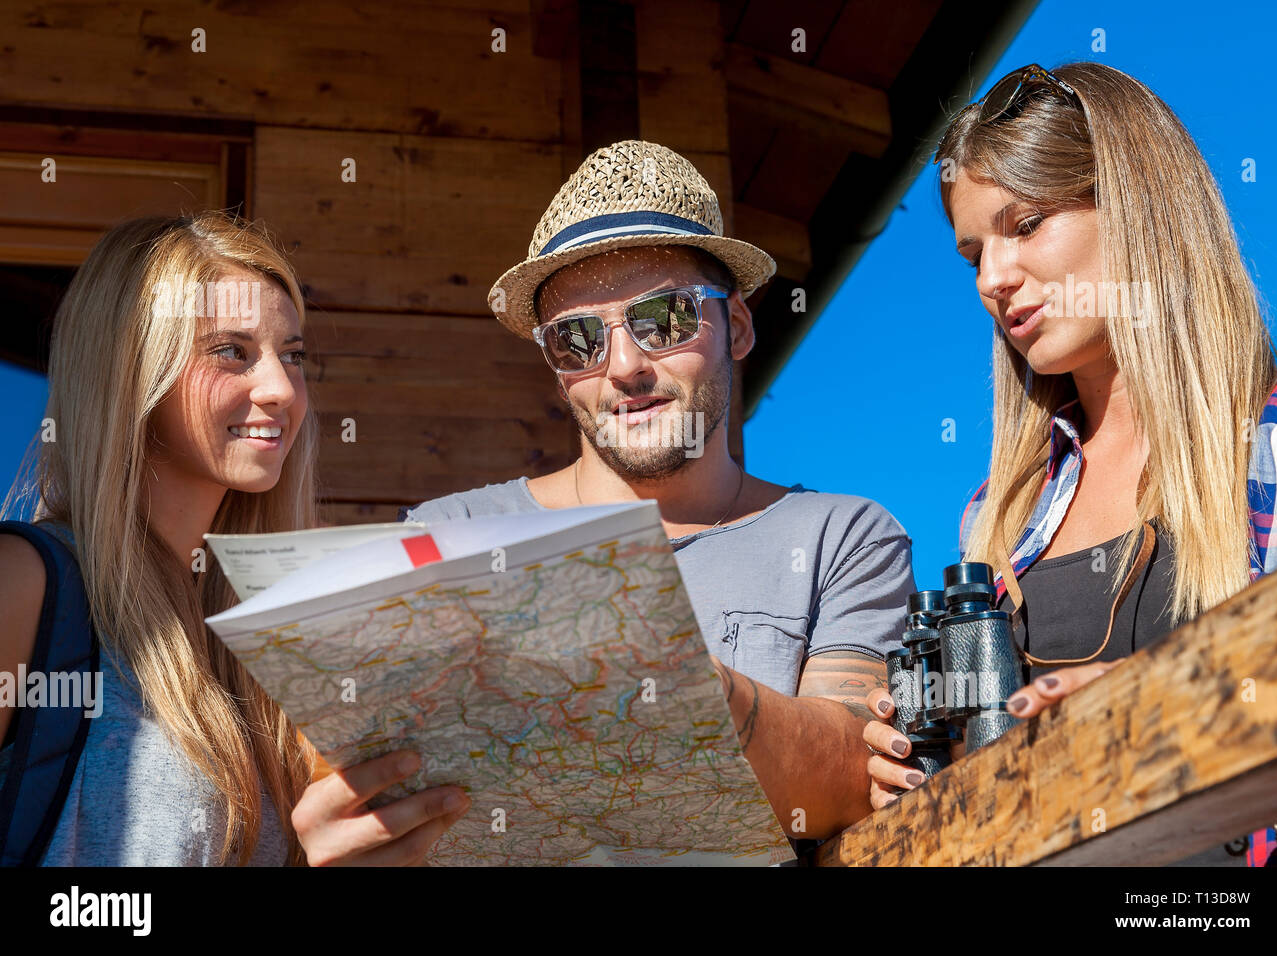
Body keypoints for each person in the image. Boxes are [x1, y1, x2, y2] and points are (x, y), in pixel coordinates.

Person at [404, 140, 917, 841]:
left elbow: (848, 780)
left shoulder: (841, 538)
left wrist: (647, 665)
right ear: (555, 366)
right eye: (576, 339)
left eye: (665, 319)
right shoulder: (449, 532)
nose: (623, 366)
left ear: (736, 326)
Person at [858, 62, 1277, 865]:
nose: (994, 278)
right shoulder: (999, 510)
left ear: (1137, 209)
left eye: (1025, 224)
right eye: (972, 255)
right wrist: (925, 773)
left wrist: (1166, 712)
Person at [0, 213, 470, 865]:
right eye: (232, 351)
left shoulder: (279, 616)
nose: (282, 390)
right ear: (132, 370)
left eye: (294, 355)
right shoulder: (25, 585)